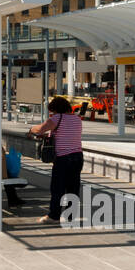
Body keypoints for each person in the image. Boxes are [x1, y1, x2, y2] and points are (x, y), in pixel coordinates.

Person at [28, 96, 82, 224]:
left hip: (64, 158)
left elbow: (40, 128)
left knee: (57, 188)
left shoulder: (58, 118)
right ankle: (70, 216)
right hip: (78, 156)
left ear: (57, 110)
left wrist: (31, 129)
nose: (51, 114)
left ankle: (54, 216)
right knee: (73, 187)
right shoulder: (77, 119)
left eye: (52, 111)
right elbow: (66, 134)